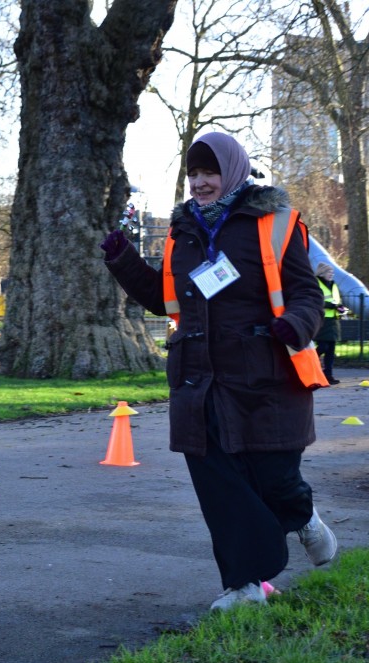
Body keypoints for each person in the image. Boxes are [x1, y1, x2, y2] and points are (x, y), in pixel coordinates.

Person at [100, 131, 338, 611]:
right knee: (220, 487)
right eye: (192, 173)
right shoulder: (181, 233)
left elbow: (307, 292)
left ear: (232, 170)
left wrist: (294, 325)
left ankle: (304, 518)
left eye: (208, 172)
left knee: (275, 479)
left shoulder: (276, 222)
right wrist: (123, 261)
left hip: (265, 374)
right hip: (197, 378)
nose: (200, 182)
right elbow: (167, 301)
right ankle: (244, 586)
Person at [313, 262, 344, 385]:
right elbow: (316, 300)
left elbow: (338, 300)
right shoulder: (316, 283)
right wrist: (331, 305)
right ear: (322, 273)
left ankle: (328, 375)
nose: (331, 274)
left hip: (333, 321)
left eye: (332, 272)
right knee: (323, 347)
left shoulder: (334, 285)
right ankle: (311, 361)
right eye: (328, 272)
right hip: (322, 320)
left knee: (331, 350)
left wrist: (341, 307)